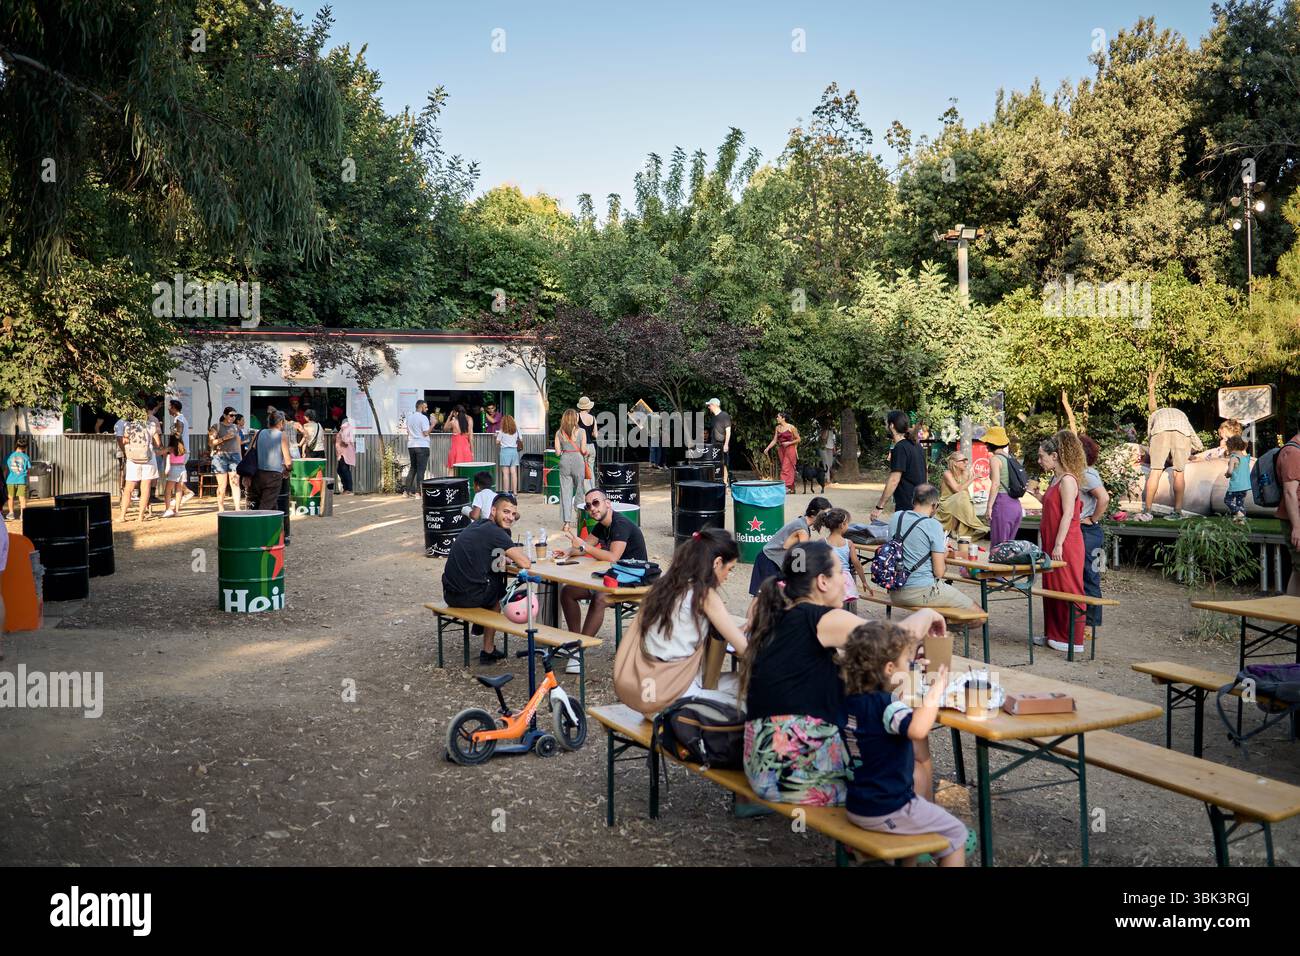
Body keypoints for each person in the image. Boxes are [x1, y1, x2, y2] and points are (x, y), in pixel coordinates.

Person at [740, 539, 946, 806]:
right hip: (792, 773)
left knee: (892, 746)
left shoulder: (778, 616)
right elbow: (893, 638)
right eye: (840, 572)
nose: (845, 581)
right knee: (914, 770)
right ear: (822, 582)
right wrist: (928, 613)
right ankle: (919, 836)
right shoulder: (818, 617)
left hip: (764, 765)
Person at [840, 621, 966, 866]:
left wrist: (911, 669)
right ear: (889, 668)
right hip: (890, 808)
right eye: (905, 662)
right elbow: (918, 729)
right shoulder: (887, 706)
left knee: (915, 827)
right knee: (956, 833)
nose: (908, 666)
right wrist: (934, 693)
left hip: (857, 804)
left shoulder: (849, 700)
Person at [626, 528, 749, 708]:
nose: (727, 577)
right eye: (729, 569)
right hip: (672, 700)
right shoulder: (705, 595)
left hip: (647, 692)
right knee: (749, 688)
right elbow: (745, 650)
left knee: (735, 682)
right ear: (717, 563)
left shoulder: (665, 586)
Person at [442, 493, 532, 664]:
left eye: (513, 514)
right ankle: (488, 649)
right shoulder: (495, 532)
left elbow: (486, 553)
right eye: (505, 512)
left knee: (493, 579)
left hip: (450, 594)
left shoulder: (478, 524)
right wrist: (513, 556)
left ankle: (481, 628)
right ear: (493, 510)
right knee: (500, 589)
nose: (510, 518)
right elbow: (525, 563)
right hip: (466, 597)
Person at [560, 488, 648, 643]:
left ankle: (579, 649)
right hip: (615, 576)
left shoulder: (620, 524)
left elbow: (613, 557)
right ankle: (574, 641)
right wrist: (568, 551)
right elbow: (585, 546)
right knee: (568, 592)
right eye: (588, 506)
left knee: (599, 597)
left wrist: (584, 547)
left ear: (607, 504)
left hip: (634, 579)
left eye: (595, 503)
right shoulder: (602, 524)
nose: (592, 508)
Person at [886, 484, 977, 610]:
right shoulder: (933, 525)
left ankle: (938, 627)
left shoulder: (897, 517)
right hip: (921, 591)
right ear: (935, 505)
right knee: (979, 615)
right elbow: (939, 573)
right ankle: (946, 630)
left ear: (913, 501)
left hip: (894, 591)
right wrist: (944, 555)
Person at [1036, 430, 1087, 653]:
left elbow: (1067, 514)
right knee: (1052, 586)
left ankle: (1074, 639)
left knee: (1069, 587)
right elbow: (1052, 508)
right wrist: (1037, 494)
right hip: (1052, 540)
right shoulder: (1055, 479)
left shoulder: (1067, 480)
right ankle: (1054, 634)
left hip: (1065, 542)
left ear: (1055, 456)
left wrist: (1058, 544)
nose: (1040, 461)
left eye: (1042, 456)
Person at [748, 496, 832, 595]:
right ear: (813, 513)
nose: (825, 518)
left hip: (772, 561)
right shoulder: (802, 529)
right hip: (769, 561)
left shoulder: (802, 523)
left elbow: (789, 548)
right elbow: (802, 558)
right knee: (760, 599)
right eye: (824, 514)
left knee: (769, 599)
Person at [1140, 403, 1204, 519]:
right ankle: (1178, 511)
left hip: (1159, 432)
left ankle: (1147, 510)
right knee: (1179, 473)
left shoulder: (1154, 414)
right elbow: (1191, 431)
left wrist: (1154, 449)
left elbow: (1150, 435)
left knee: (1155, 471)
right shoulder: (1181, 413)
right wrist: (1199, 446)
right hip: (1182, 433)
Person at [1078, 433, 1111, 627]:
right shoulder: (1086, 472)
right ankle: (1085, 621)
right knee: (1089, 575)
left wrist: (1092, 519)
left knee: (1090, 576)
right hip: (1089, 532)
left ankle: (1090, 624)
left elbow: (1104, 498)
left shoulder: (1086, 474)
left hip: (1088, 532)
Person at [871, 410, 926, 524]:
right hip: (921, 502)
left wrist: (879, 507)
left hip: (907, 505)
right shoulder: (916, 445)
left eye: (886, 424)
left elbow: (894, 480)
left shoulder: (900, 448)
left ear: (891, 426)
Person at [814, 507, 872, 613]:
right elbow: (857, 564)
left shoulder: (822, 541)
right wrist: (864, 581)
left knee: (828, 607)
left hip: (828, 579)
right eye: (847, 523)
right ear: (842, 525)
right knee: (842, 608)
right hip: (845, 581)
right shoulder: (848, 543)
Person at [119, 412, 164, 523]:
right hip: (148, 459)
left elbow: (124, 441)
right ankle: (140, 516)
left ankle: (122, 516)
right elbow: (158, 443)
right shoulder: (151, 425)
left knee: (128, 489)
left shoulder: (128, 426)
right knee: (145, 488)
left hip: (132, 460)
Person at [1274, 414, 1300, 596]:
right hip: (1295, 519)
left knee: (1298, 571)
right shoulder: (1293, 453)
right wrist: (1297, 528)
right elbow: (1290, 492)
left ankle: (1291, 618)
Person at [982, 426, 1022, 546]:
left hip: (1002, 504)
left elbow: (995, 483)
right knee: (1008, 549)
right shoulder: (1011, 458)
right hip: (1015, 505)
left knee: (998, 548)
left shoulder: (995, 459)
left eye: (987, 441)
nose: (985, 444)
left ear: (991, 442)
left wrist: (989, 507)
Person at [936, 450, 988, 540]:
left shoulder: (966, 473)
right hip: (946, 502)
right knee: (962, 495)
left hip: (958, 501)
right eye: (963, 460)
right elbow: (957, 489)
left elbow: (966, 491)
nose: (966, 463)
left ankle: (964, 529)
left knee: (965, 497)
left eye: (966, 460)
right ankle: (974, 526)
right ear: (955, 463)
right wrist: (973, 478)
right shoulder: (947, 474)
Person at [250, 411, 294, 513]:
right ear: (281, 422)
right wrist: (288, 469)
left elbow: (248, 454)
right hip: (273, 477)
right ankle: (260, 528)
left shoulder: (258, 433)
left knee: (271, 505)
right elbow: (288, 462)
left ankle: (279, 528)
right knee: (266, 508)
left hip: (257, 475)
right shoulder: (282, 435)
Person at [554, 408, 588, 530]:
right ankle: (579, 517)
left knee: (565, 492)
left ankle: (566, 523)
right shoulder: (582, 431)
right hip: (578, 460)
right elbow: (583, 450)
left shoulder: (559, 433)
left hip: (565, 460)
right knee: (579, 490)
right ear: (575, 418)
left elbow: (557, 453)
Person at [210, 407, 243, 511]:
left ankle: (237, 509)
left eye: (235, 416)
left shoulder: (236, 427)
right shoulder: (216, 426)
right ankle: (221, 508)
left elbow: (238, 443)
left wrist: (240, 458)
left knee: (235, 482)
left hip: (235, 456)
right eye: (231, 415)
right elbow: (211, 443)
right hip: (220, 457)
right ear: (225, 415)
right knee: (222, 485)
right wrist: (224, 438)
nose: (233, 417)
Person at [762, 411, 800, 493]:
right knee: (786, 468)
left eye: (778, 417)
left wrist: (789, 443)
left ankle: (784, 487)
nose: (777, 418)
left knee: (785, 468)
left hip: (790, 449)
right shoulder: (777, 428)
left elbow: (798, 439)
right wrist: (767, 448)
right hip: (781, 450)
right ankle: (791, 488)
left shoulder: (791, 427)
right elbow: (775, 440)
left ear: (783, 418)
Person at [404, 400, 432, 498]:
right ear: (420, 407)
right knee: (421, 470)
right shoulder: (423, 418)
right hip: (422, 445)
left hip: (411, 445)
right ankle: (418, 492)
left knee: (413, 468)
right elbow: (425, 433)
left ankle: (406, 491)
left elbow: (408, 432)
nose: (427, 409)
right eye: (426, 407)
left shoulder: (409, 417)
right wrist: (433, 424)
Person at [1222, 435, 1251, 523]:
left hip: (1235, 486)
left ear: (1232, 447)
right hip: (1244, 486)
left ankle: (1238, 512)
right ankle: (1240, 520)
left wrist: (1227, 474)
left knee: (1227, 500)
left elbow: (1230, 472)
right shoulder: (1245, 458)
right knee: (1240, 502)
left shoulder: (1234, 458)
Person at [161, 428, 189, 518]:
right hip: (183, 468)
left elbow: (161, 453)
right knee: (179, 490)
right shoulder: (183, 449)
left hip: (174, 468)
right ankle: (176, 511)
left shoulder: (170, 448)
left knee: (168, 490)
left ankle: (168, 509)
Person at [706, 398, 732, 485]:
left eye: (709, 405)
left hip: (722, 444)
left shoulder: (725, 415)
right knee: (714, 464)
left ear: (714, 405)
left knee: (724, 464)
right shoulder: (713, 418)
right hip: (714, 444)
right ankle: (716, 482)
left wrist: (726, 444)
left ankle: (725, 483)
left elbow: (728, 431)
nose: (709, 407)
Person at [5, 437, 31, 521]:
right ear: (25, 447)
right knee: (22, 498)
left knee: (10, 497)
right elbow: (28, 470)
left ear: (16, 445)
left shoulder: (9, 456)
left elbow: (6, 469)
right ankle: (23, 515)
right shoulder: (26, 457)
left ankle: (11, 513)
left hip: (10, 480)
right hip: (21, 480)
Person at [577, 397, 599, 492]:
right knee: (590, 470)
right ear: (588, 407)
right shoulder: (593, 418)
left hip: (582, 447)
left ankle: (586, 493)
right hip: (591, 447)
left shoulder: (577, 417)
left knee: (582, 470)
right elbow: (596, 435)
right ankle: (592, 490)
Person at [496, 413, 520, 495]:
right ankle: (515, 491)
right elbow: (520, 439)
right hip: (514, 451)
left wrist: (499, 439)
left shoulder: (502, 431)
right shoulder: (516, 430)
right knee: (513, 472)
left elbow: (497, 442)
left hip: (505, 452)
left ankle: (506, 492)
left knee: (505, 473)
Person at [445, 404, 473, 470]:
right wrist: (472, 451)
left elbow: (445, 428)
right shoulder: (469, 420)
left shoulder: (453, 422)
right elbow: (471, 438)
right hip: (466, 450)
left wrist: (449, 417)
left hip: (455, 450)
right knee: (466, 470)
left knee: (452, 470)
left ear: (456, 413)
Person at [335, 415, 355, 495]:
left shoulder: (345, 427)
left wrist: (340, 440)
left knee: (344, 470)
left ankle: (348, 489)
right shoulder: (346, 427)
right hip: (343, 453)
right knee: (341, 470)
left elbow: (346, 441)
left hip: (344, 453)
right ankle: (346, 488)